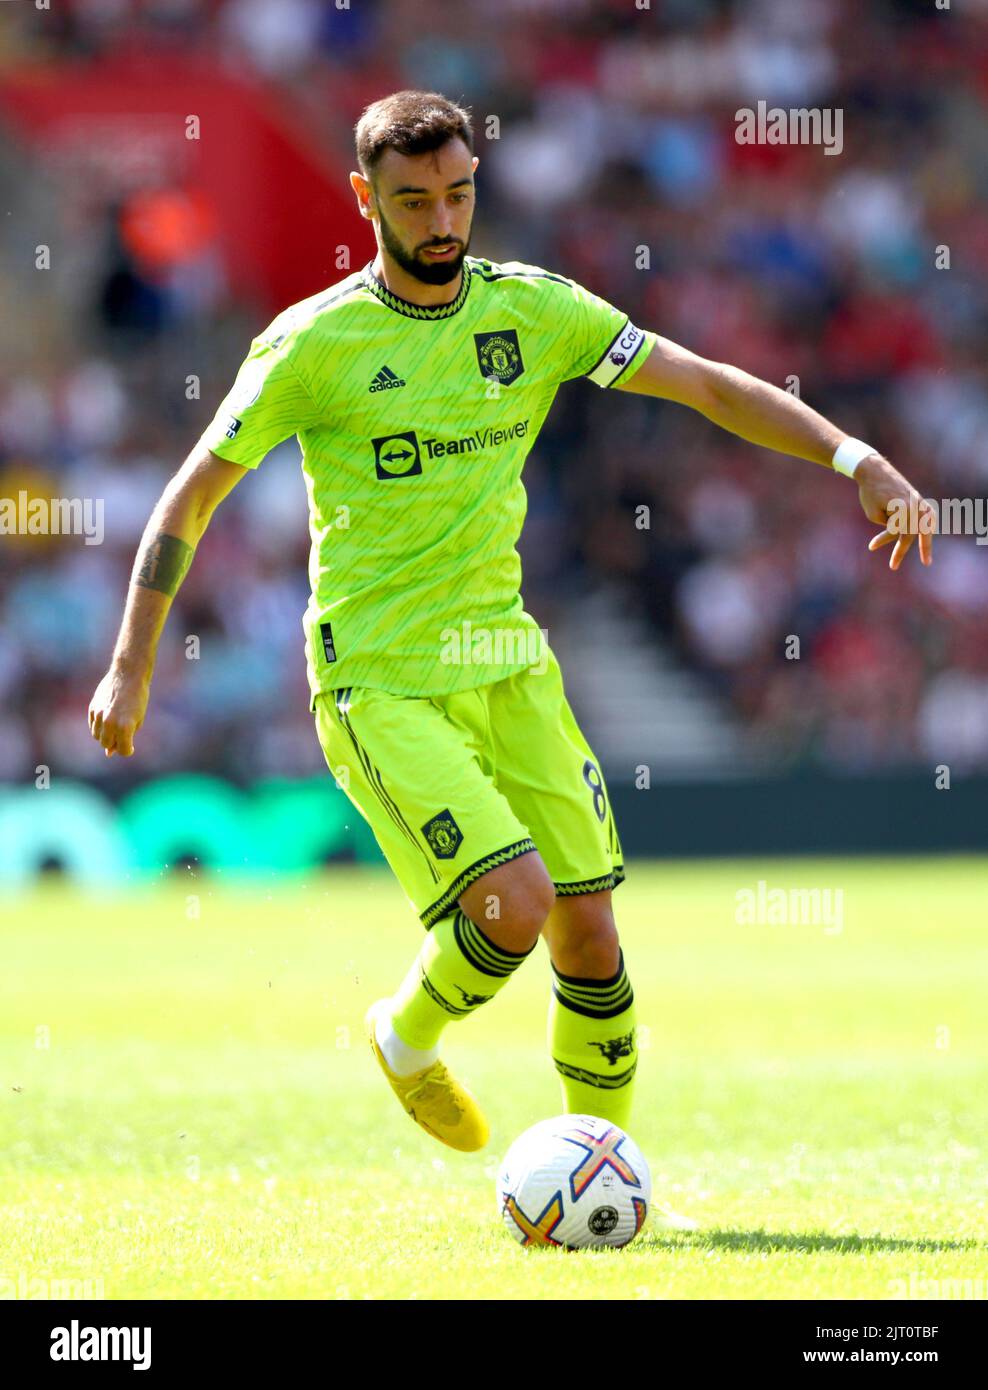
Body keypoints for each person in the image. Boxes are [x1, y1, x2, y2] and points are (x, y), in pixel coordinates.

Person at [88, 90, 935, 1155]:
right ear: (365, 200)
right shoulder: (313, 345)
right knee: (515, 904)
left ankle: (604, 1170)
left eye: (457, 196)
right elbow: (191, 495)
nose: (442, 222)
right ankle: (406, 1033)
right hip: (380, 679)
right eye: (413, 202)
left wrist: (856, 461)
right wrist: (131, 666)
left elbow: (707, 385)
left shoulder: (532, 312)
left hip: (506, 660)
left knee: (589, 929)